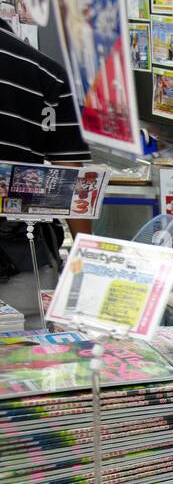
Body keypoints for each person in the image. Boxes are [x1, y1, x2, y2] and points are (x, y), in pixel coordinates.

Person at [0, 18, 94, 318]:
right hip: (21, 266)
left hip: (17, 257)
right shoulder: (44, 72)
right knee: (23, 360)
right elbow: (72, 180)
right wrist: (85, 264)